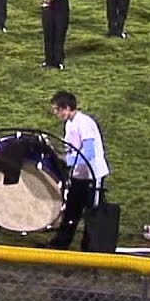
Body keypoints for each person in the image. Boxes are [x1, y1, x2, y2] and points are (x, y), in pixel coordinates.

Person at [47, 91, 110, 250]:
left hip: (92, 176)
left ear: (66, 108)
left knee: (92, 213)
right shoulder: (70, 124)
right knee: (71, 210)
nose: (55, 113)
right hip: (79, 175)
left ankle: (90, 248)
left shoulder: (84, 123)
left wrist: (67, 161)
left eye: (57, 109)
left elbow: (89, 153)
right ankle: (61, 244)